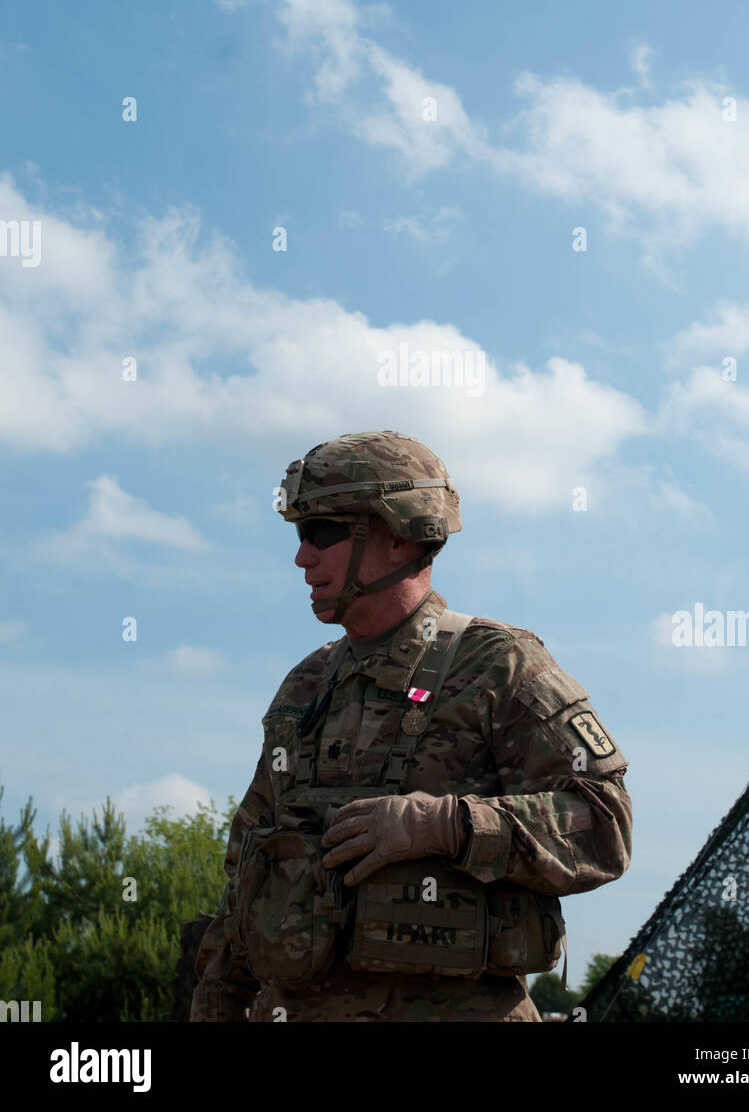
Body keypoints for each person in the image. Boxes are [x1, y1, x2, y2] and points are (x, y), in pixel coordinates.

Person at [189, 430, 632, 1022]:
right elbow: (246, 875)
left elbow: (604, 828)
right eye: (300, 535)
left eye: (322, 532)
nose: (302, 556)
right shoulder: (305, 687)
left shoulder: (498, 664)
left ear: (399, 536)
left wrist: (445, 825)